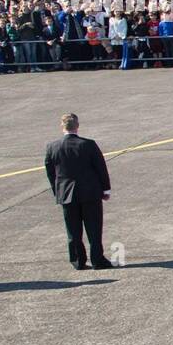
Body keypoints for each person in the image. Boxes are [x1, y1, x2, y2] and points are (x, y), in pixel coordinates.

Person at [43, 113, 112, 270]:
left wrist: (57, 190)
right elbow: (101, 168)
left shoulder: (52, 147)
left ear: (62, 126)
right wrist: (105, 188)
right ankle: (97, 259)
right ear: (77, 126)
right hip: (90, 192)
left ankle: (78, 260)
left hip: (66, 193)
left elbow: (50, 172)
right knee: (94, 228)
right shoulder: (88, 144)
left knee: (73, 230)